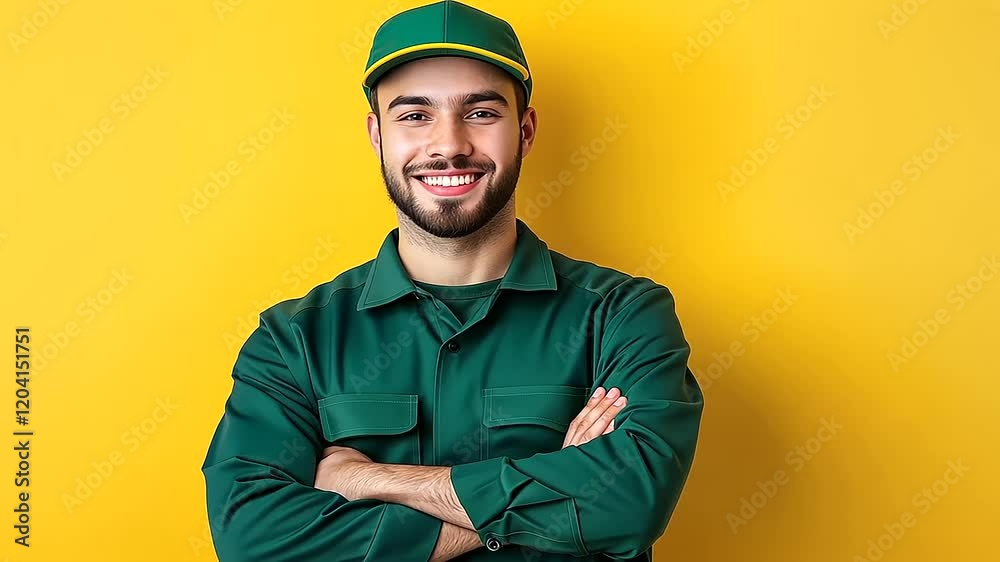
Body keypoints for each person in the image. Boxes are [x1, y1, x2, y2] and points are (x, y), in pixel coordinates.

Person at [200, 1, 704, 560]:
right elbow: (253, 538)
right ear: (377, 135)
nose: (449, 145)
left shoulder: (623, 315)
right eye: (415, 115)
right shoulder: (293, 340)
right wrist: (553, 495)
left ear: (526, 129)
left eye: (482, 113)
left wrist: (377, 480)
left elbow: (629, 502)